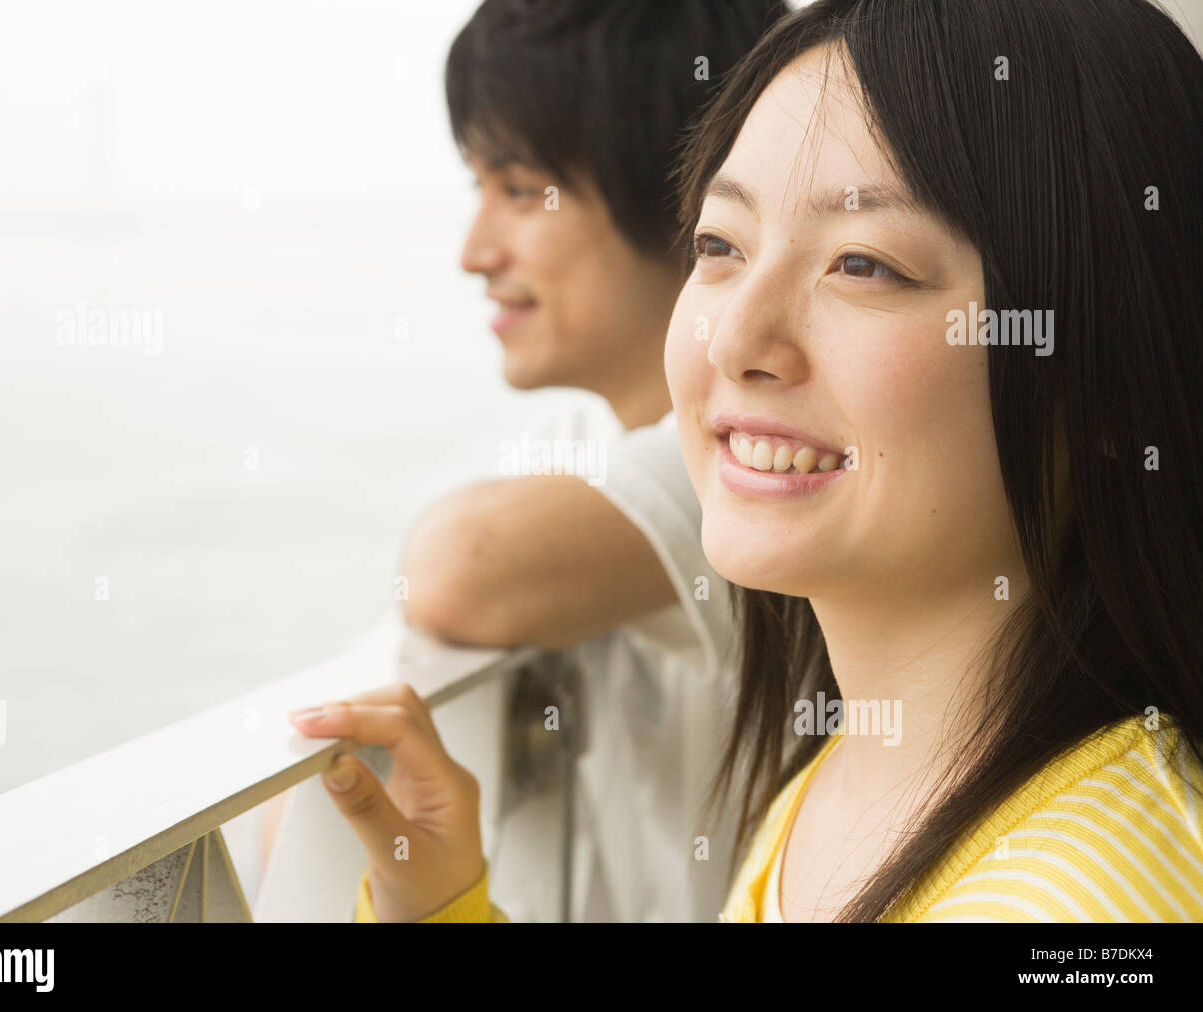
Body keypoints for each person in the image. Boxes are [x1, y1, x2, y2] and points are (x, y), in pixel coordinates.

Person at [294, 0, 1203, 922]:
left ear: (1109, 359)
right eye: (720, 245)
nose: (734, 334)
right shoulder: (841, 790)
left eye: (862, 265)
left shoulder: (1078, 908)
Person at [264, 0, 788, 923]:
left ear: (685, 194)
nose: (475, 253)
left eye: (519, 189)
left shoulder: (763, 449)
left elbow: (460, 569)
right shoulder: (591, 446)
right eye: (477, 186)